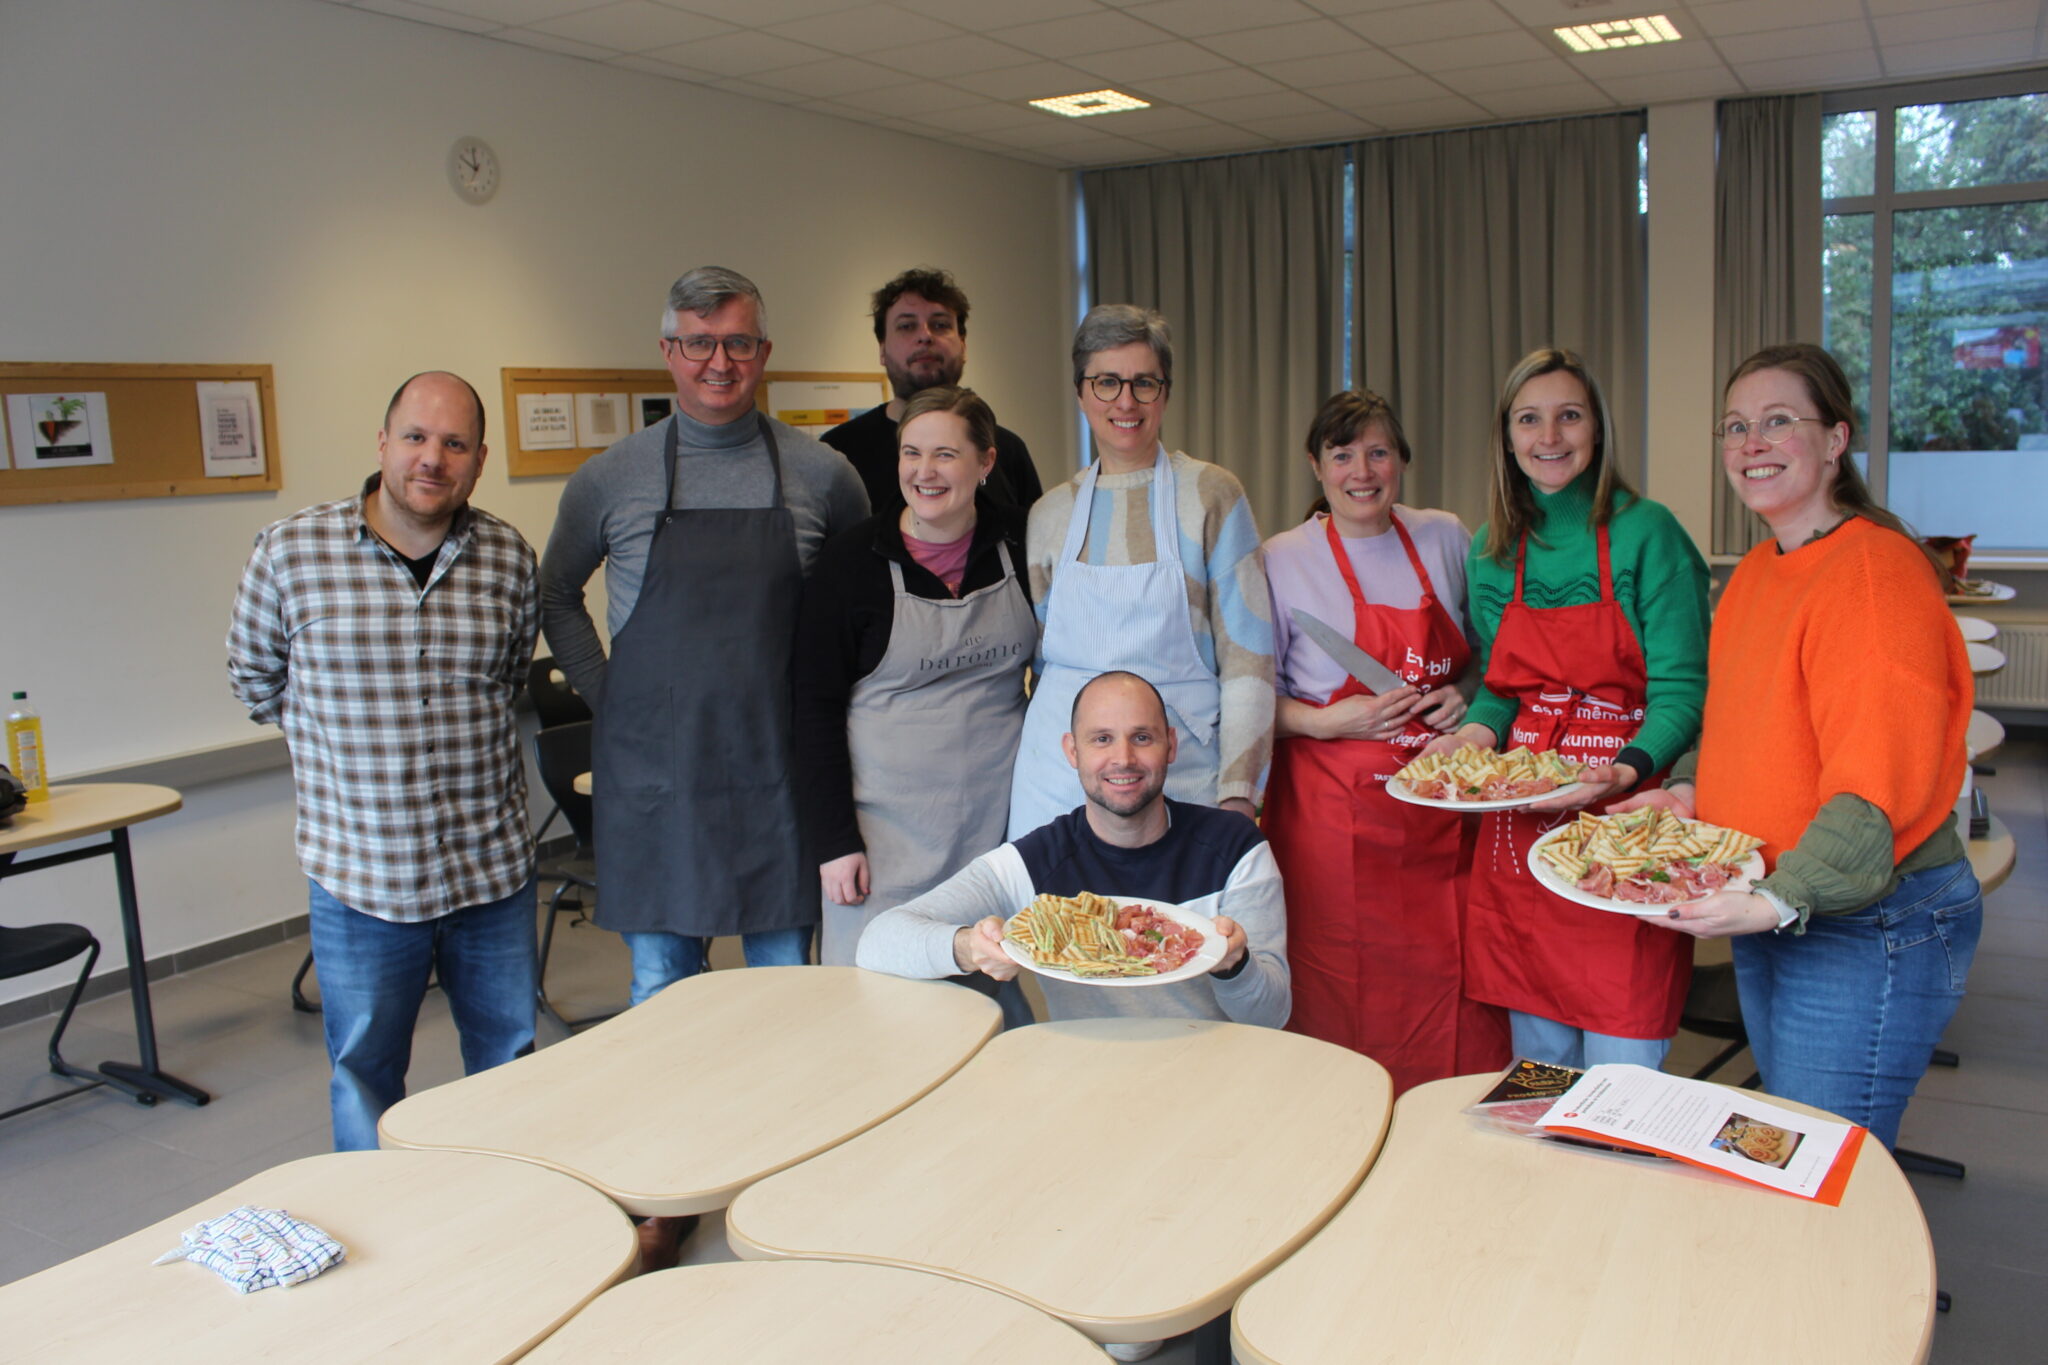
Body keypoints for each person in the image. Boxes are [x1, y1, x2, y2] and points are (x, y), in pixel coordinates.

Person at [1615, 342, 1980, 1149]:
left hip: (1865, 912)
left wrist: (1776, 900)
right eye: (1736, 426)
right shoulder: (1753, 572)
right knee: (1784, 1140)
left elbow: (1875, 780)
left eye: (1780, 421)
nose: (1752, 443)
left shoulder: (1874, 572)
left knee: (1819, 1159)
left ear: (1837, 438)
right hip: (1782, 897)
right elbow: (1751, 726)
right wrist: (1690, 791)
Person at [538, 265, 869, 1006]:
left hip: (779, 772)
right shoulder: (609, 478)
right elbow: (555, 595)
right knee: (662, 986)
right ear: (667, 350)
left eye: (738, 342)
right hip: (657, 777)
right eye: (699, 344)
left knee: (785, 981)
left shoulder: (824, 475)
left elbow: (862, 605)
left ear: (765, 349)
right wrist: (609, 690)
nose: (719, 363)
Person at [228, 371, 538, 1152]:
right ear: (382, 444)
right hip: (361, 875)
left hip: (489, 874)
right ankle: (387, 1235)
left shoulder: (506, 557)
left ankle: (515, 1211)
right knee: (365, 1071)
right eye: (416, 437)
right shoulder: (292, 551)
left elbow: (506, 677)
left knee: (509, 1060)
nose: (431, 458)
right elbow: (255, 679)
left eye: (454, 443)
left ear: (478, 460)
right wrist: (342, 749)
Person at [1428, 347, 1711, 1070]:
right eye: (1530, 418)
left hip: (1623, 821)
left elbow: (1684, 689)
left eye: (1569, 415)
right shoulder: (1494, 549)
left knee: (1622, 1066)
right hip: (1519, 833)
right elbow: (1499, 686)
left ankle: (1620, 1172)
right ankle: (1536, 1180)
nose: (1549, 436)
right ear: (1506, 435)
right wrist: (1468, 738)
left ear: (1598, 428)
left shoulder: (1651, 533)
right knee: (1538, 1071)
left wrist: (1625, 772)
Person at [1260, 390, 1508, 1094]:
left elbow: (1495, 656)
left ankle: (1451, 1123)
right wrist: (1324, 721)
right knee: (1340, 983)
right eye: (1342, 454)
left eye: (1378, 451)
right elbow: (1247, 702)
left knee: (1454, 979)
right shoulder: (1281, 559)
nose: (1361, 471)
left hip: (1443, 811)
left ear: (1401, 459)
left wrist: (1467, 689)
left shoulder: (1446, 536)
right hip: (1335, 824)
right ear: (1315, 465)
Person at [859, 670, 1289, 1030]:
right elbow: (877, 943)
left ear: (1171, 746)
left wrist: (1235, 965)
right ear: (1072, 751)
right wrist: (970, 946)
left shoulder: (1235, 848)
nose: (1123, 758)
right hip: (1081, 1077)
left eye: (1142, 737)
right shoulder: (1035, 861)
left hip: (1214, 1072)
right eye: (1101, 739)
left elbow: (1272, 1015)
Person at [1008, 303, 1275, 840]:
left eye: (1144, 383)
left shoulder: (1211, 495)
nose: (1125, 401)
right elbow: (1040, 659)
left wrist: (1239, 794)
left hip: (1182, 774)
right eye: (1107, 382)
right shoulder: (1049, 516)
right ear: (1081, 392)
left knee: (1173, 922)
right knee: (1057, 923)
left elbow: (1250, 661)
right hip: (1058, 783)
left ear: (1166, 393)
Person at [794, 385, 1035, 969]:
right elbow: (811, 710)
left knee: (990, 1006)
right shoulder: (851, 564)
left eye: (945, 454)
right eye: (911, 453)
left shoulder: (1023, 545)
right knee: (877, 1011)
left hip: (994, 832)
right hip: (883, 845)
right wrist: (834, 843)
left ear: (986, 462)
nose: (924, 472)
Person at [821, 267, 1042, 513]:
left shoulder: (1007, 450)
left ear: (963, 345)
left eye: (940, 324)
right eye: (906, 326)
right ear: (882, 350)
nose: (925, 336)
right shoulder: (839, 452)